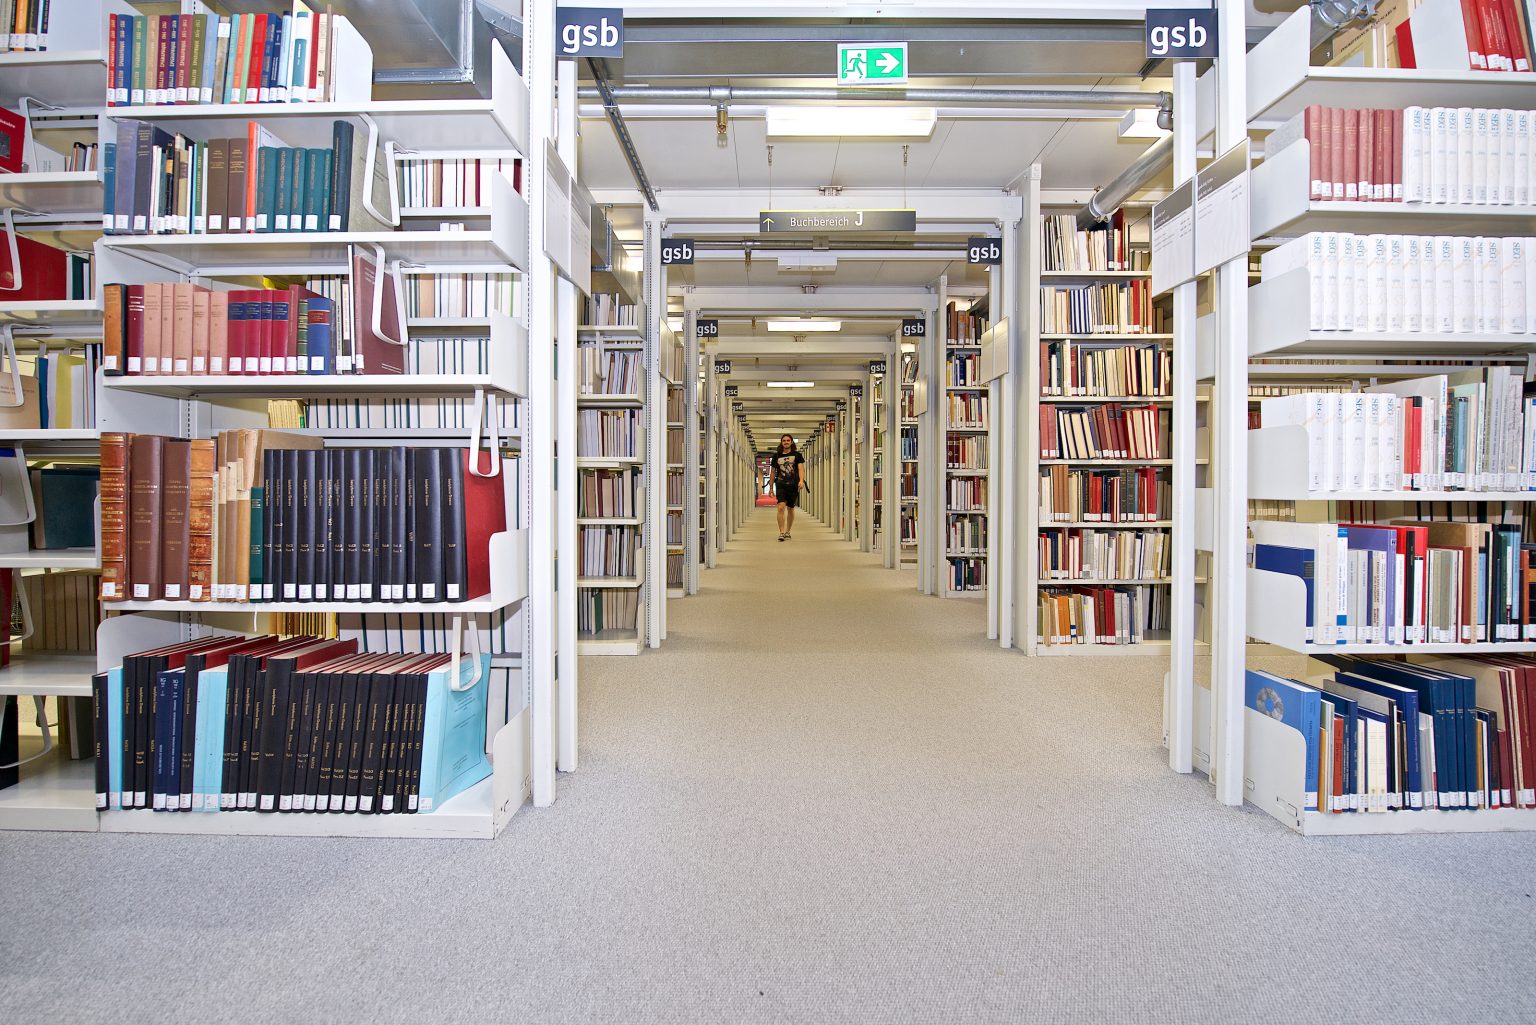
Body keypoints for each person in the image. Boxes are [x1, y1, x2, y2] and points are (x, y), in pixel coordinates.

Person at [769, 433, 806, 541]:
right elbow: (773, 472)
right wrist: (771, 487)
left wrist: (801, 480)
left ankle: (788, 531)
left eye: (788, 440)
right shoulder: (776, 456)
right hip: (780, 484)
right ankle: (781, 532)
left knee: (790, 508)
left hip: (793, 485)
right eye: (784, 440)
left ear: (791, 442)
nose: (786, 442)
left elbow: (801, 469)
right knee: (780, 507)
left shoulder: (797, 455)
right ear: (781, 443)